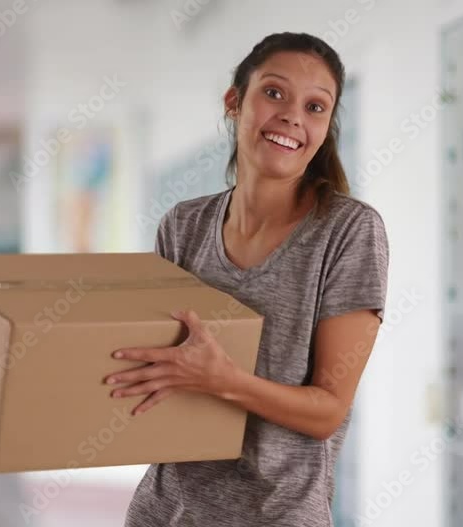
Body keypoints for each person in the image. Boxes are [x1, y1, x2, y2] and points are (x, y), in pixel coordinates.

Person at [105, 32, 390, 526]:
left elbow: (326, 412)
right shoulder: (183, 226)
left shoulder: (348, 231)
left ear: (326, 127)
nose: (293, 116)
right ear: (234, 101)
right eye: (274, 93)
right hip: (164, 511)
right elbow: (159, 368)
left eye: (316, 106)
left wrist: (224, 381)